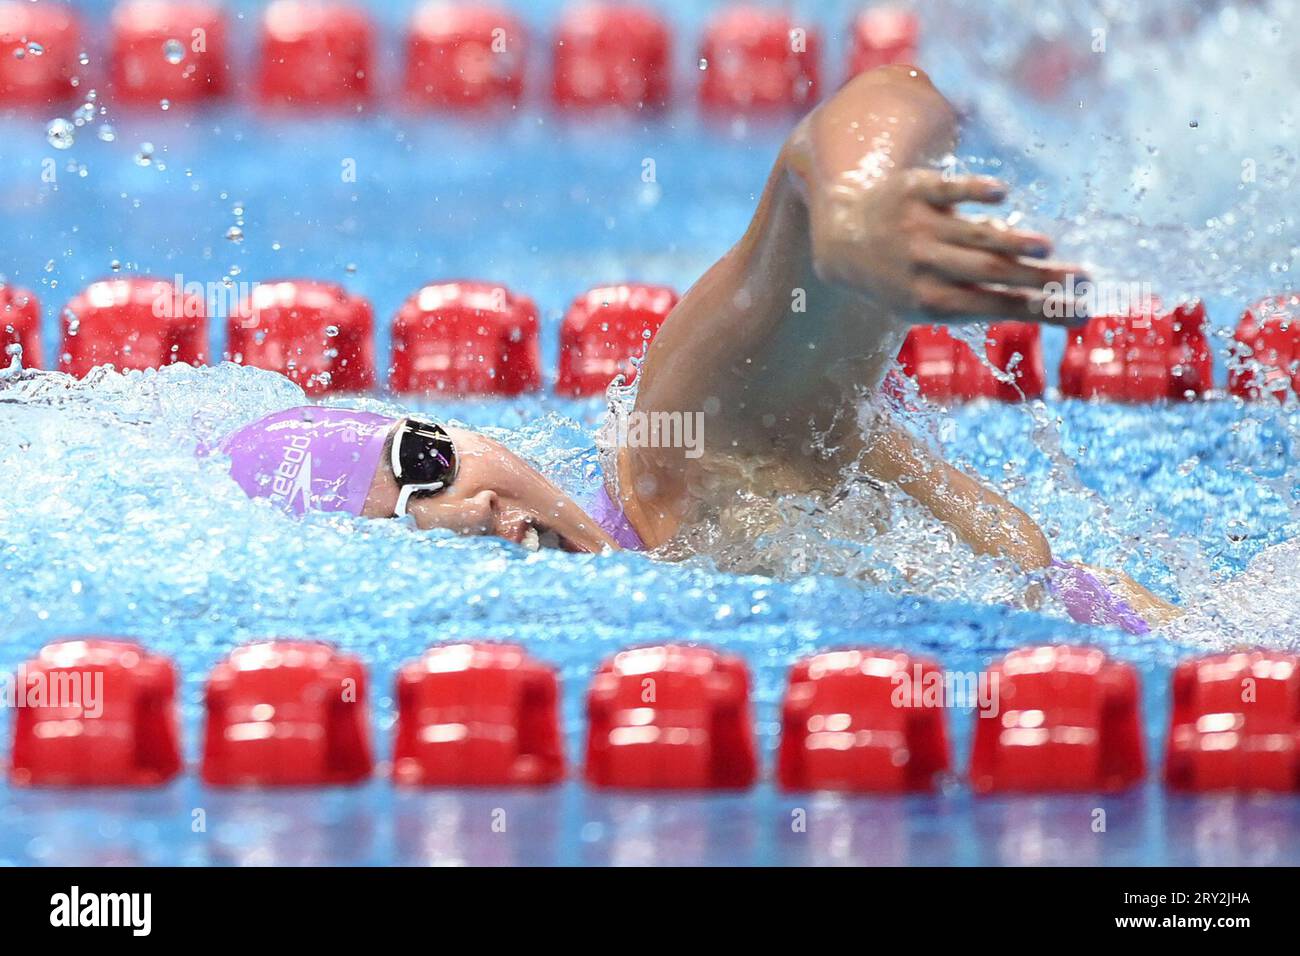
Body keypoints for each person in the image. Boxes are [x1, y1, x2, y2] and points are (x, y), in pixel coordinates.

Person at [218, 66, 1177, 631]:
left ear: (449, 425)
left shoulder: (671, 469)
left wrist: (855, 209)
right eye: (401, 531)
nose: (460, 514)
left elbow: (881, 101)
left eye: (425, 463)